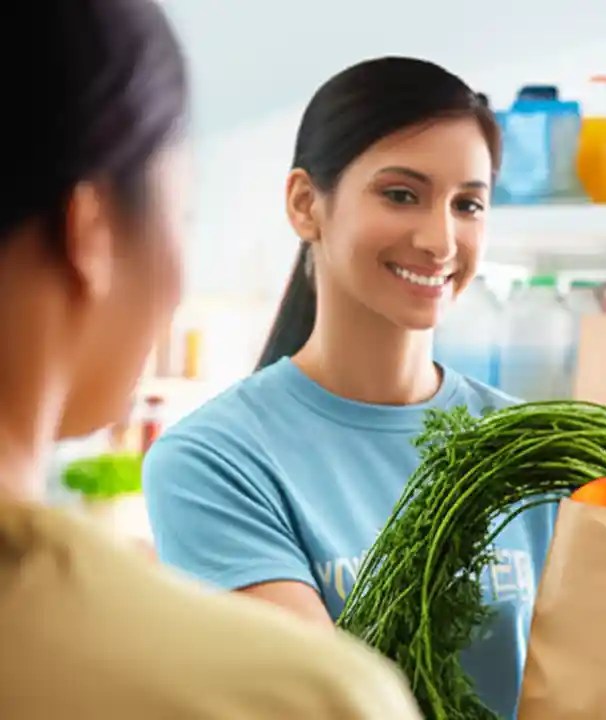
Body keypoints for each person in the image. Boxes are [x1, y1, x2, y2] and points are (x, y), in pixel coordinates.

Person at [142, 55, 606, 720]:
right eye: (401, 194)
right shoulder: (215, 462)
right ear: (306, 203)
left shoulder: (534, 448)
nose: (441, 239)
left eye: (468, 203)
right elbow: (324, 704)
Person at [0, 2, 422, 718]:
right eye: (183, 214)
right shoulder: (297, 697)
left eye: (471, 203)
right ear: (92, 231)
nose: (436, 237)